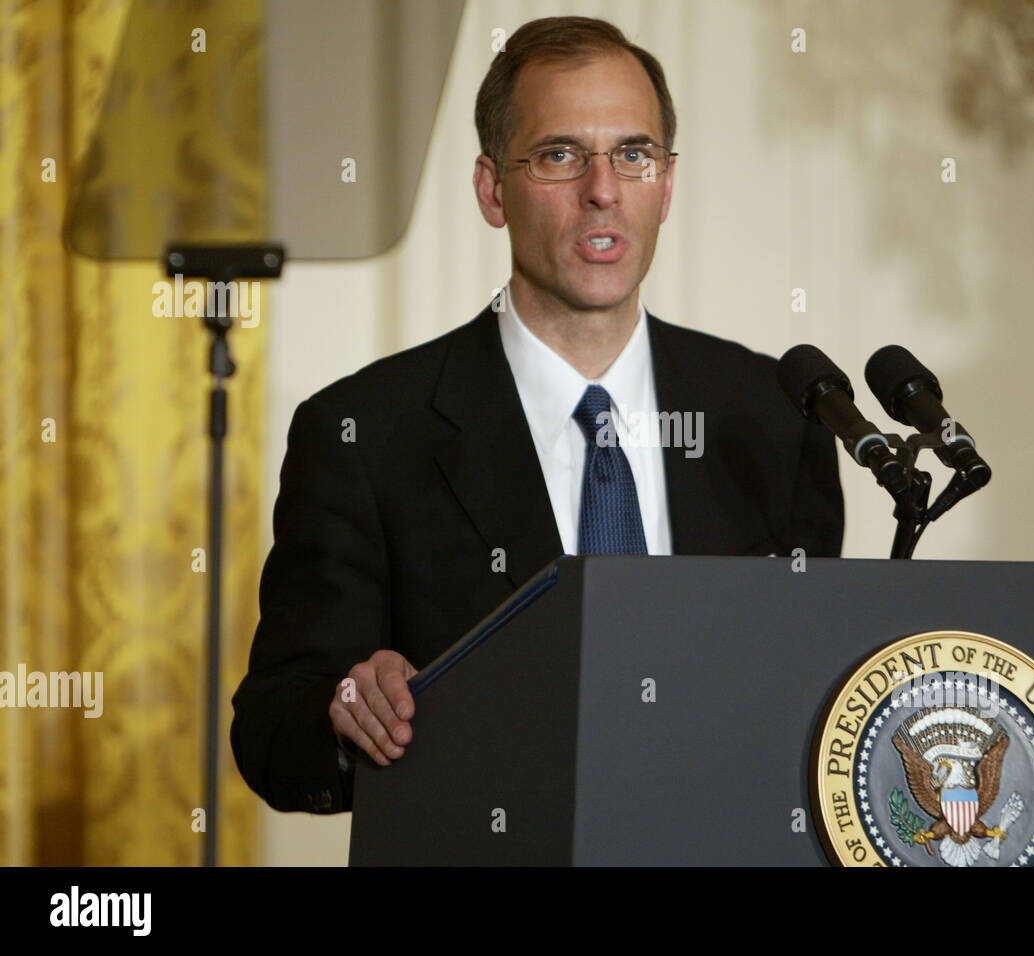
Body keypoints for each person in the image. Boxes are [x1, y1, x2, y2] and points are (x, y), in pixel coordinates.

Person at [230, 15, 843, 814]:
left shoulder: (773, 418)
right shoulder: (365, 435)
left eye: (633, 154)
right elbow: (273, 732)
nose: (603, 189)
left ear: (667, 185)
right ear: (492, 190)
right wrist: (347, 711)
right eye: (560, 155)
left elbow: (814, 703)